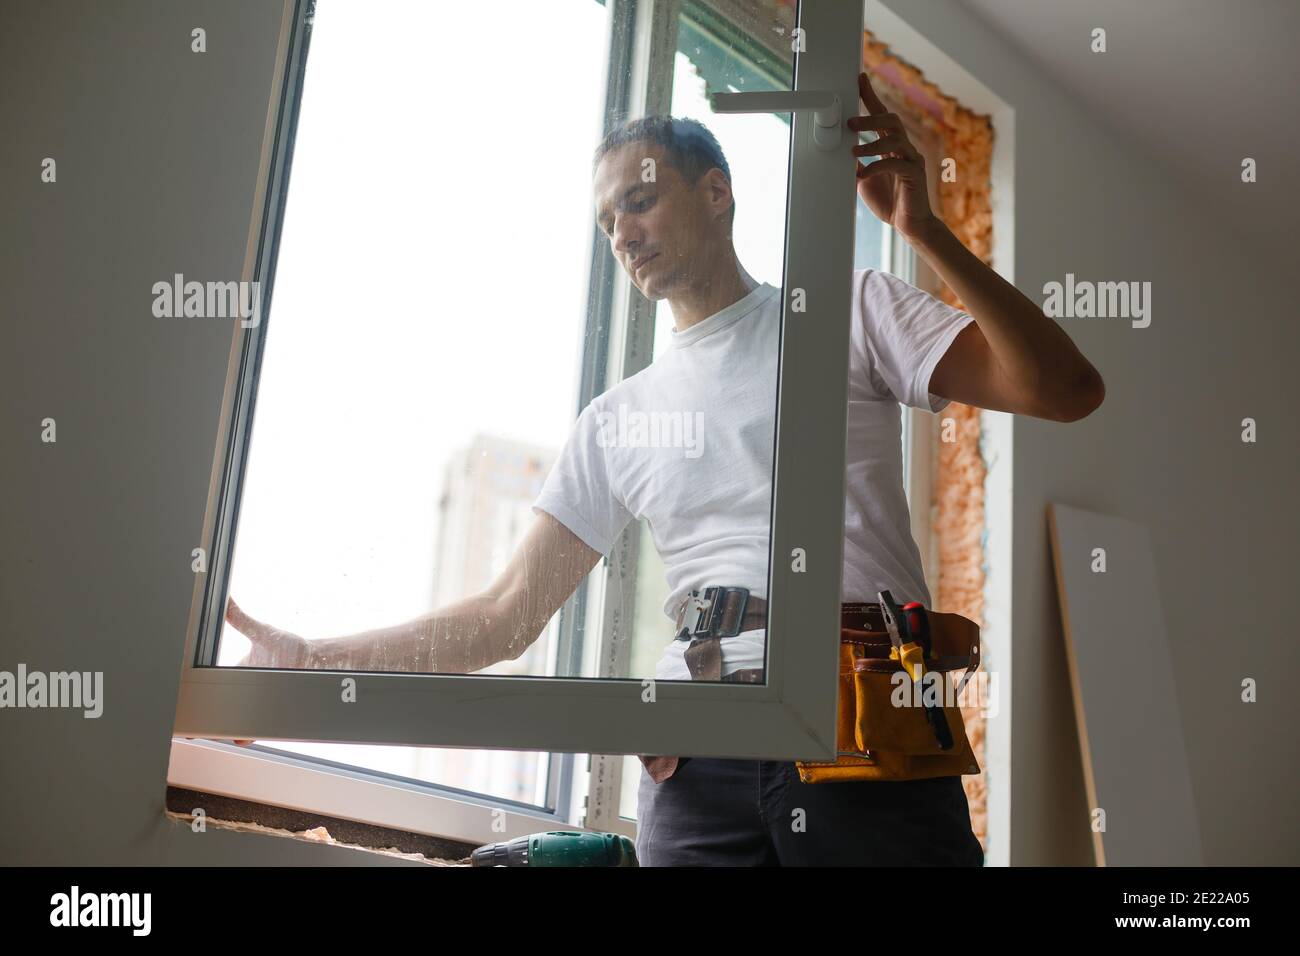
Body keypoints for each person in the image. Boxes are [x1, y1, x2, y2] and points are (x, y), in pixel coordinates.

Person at [223, 72, 1104, 865]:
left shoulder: (852, 310)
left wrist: (925, 231)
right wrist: (310, 658)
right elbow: (503, 619)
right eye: (609, 219)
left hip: (866, 717)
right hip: (695, 748)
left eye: (640, 201)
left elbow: (1066, 389)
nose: (623, 233)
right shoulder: (615, 421)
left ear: (716, 192)